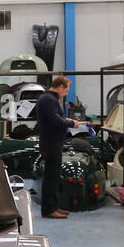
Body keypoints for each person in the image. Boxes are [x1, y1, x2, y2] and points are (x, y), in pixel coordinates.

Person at [35, 75, 78, 219]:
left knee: (53, 177)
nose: (65, 94)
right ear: (60, 87)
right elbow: (55, 121)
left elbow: (55, 118)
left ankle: (53, 207)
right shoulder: (48, 99)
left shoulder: (49, 99)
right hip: (51, 143)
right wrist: (71, 123)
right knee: (51, 178)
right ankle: (48, 210)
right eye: (65, 91)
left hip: (52, 142)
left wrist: (67, 120)